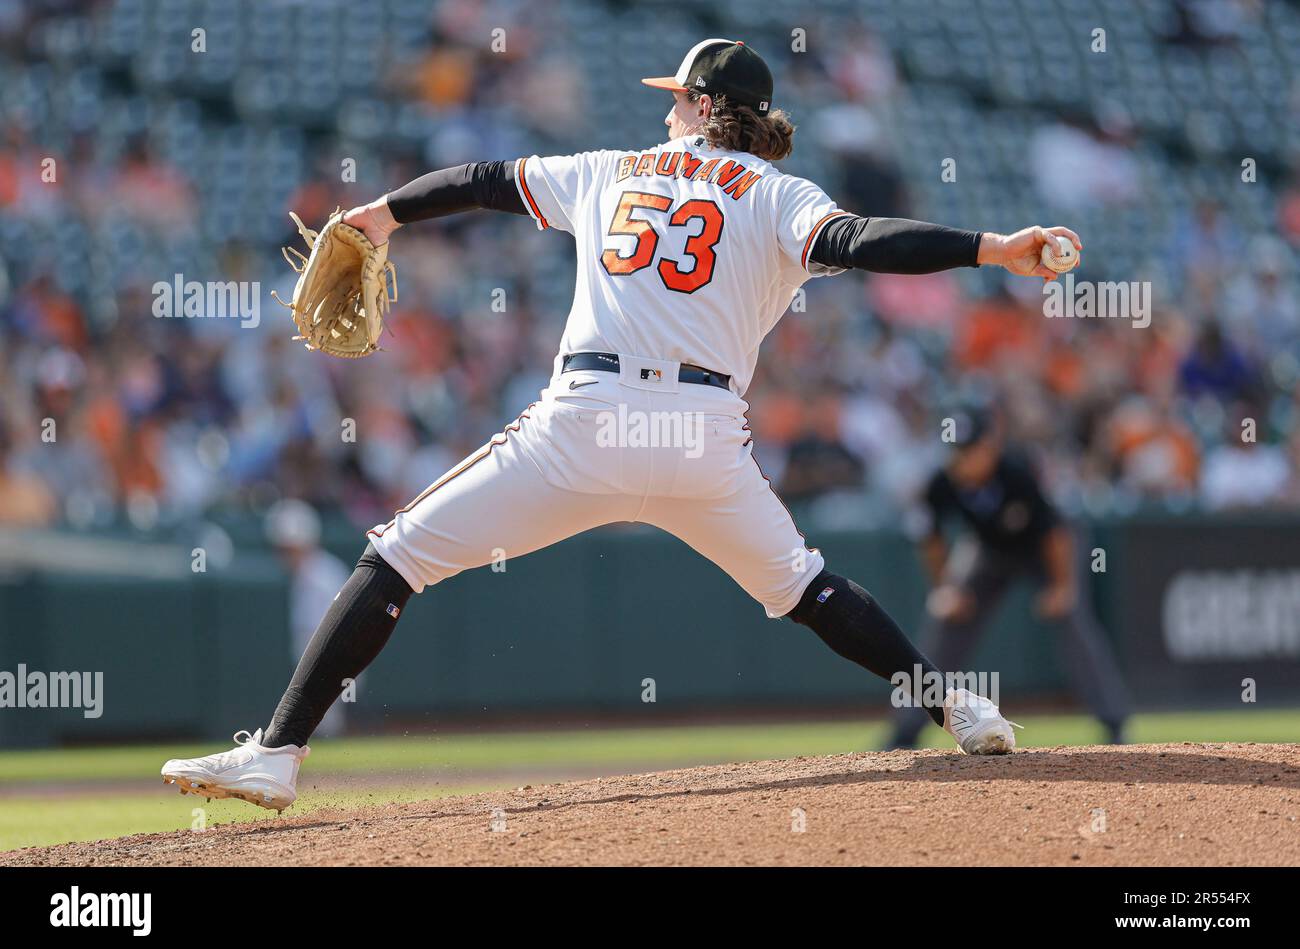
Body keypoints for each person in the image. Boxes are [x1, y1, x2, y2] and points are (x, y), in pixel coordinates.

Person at [162, 39, 1081, 809]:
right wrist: (992, 248)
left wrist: (380, 214)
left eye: (679, 98)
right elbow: (864, 240)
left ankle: (278, 754)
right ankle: (956, 706)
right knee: (806, 588)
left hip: (587, 423)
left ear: (702, 105)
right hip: (702, 439)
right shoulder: (775, 194)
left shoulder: (609, 171)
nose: (668, 110)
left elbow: (481, 180)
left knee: (395, 557)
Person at [885, 408, 1132, 750]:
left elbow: (1055, 532)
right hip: (988, 551)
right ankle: (905, 731)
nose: (964, 459)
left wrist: (1063, 587)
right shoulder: (943, 481)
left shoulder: (1017, 471)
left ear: (990, 445)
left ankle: (1114, 723)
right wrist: (947, 588)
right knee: (945, 623)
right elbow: (931, 537)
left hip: (1044, 550)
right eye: (957, 451)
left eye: (970, 449)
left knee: (1072, 620)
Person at [264, 499, 353, 737]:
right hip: (312, 650)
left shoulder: (324, 573)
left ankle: (333, 770)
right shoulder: (303, 573)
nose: (285, 554)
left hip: (333, 652)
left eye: (291, 548)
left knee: (323, 724)